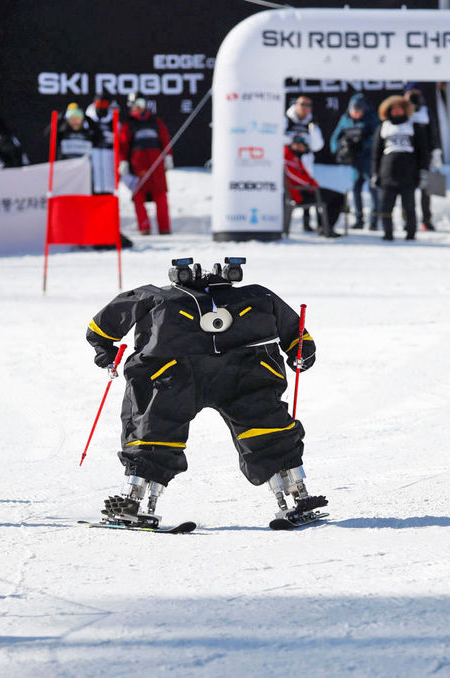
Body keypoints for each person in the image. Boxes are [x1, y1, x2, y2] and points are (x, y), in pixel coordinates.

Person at [85, 257, 326, 528]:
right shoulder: (258, 296)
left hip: (181, 374)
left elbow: (101, 328)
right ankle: (296, 495)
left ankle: (133, 500)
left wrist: (105, 350)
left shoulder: (156, 297)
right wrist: (300, 352)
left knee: (156, 430)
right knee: (262, 430)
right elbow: (296, 333)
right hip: (231, 373)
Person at [371, 94, 428, 241]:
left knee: (409, 206)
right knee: (386, 206)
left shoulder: (414, 127)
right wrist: (375, 173)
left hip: (409, 173)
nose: (397, 112)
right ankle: (387, 233)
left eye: (400, 109)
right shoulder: (383, 128)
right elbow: (376, 153)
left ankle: (411, 233)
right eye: (394, 109)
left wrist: (423, 171)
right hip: (388, 174)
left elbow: (423, 151)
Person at [117, 91, 173, 235]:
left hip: (156, 165)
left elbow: (165, 140)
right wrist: (123, 161)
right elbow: (123, 145)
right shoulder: (128, 124)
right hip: (138, 165)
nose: (139, 108)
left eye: (141, 104)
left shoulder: (155, 121)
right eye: (135, 105)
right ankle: (144, 227)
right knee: (138, 195)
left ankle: (165, 228)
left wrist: (168, 156)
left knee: (161, 196)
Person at [329, 93, 378, 230]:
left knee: (373, 189)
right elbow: (335, 138)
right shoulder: (345, 119)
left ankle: (374, 220)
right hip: (355, 161)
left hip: (369, 161)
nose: (356, 113)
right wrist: (340, 149)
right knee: (356, 189)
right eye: (354, 111)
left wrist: (362, 144)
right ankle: (359, 219)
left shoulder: (371, 119)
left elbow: (377, 139)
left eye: (359, 111)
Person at [285, 135, 344, 237]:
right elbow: (294, 176)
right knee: (337, 198)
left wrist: (313, 185)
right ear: (292, 145)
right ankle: (326, 228)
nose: (300, 148)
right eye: (297, 145)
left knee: (337, 196)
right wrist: (311, 185)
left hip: (308, 190)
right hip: (300, 193)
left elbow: (306, 177)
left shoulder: (294, 157)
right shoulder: (288, 157)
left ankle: (324, 227)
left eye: (302, 146)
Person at [404, 83, 443, 231]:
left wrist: (436, 152)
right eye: (410, 93)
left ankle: (427, 220)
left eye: (416, 93)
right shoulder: (400, 110)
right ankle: (408, 220)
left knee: (426, 189)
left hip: (424, 157)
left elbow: (433, 133)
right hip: (406, 157)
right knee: (407, 191)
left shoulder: (426, 112)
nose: (414, 96)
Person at [284, 95, 325, 232]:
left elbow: (318, 146)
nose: (305, 108)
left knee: (309, 189)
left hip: (305, 163)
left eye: (308, 105)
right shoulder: (286, 121)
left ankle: (307, 223)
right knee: (288, 193)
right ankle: (283, 222)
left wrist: (312, 132)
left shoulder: (311, 123)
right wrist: (293, 144)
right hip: (289, 162)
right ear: (296, 105)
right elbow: (277, 138)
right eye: (302, 104)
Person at [85, 91, 119, 194]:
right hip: (92, 159)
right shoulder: (87, 121)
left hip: (109, 159)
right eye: (99, 104)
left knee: (108, 191)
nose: (102, 107)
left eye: (104, 105)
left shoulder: (114, 121)